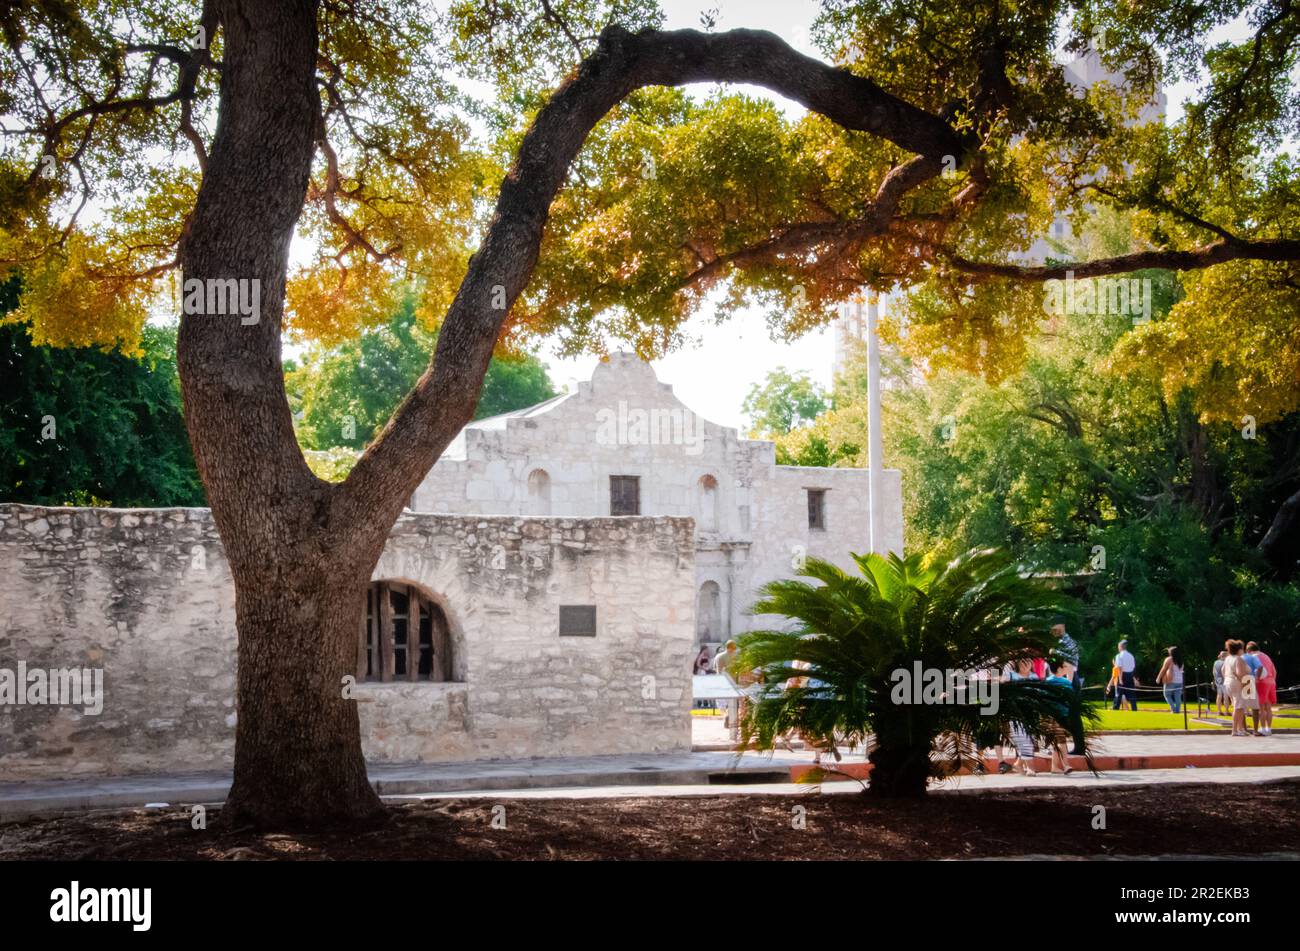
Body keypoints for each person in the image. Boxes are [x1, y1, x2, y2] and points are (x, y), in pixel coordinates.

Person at [1044, 657, 1076, 775]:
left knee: (1057, 740)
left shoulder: (1047, 682)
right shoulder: (1066, 683)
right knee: (1061, 740)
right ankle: (1066, 765)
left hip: (1057, 714)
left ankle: (1054, 767)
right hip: (1056, 715)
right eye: (1064, 666)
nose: (1066, 668)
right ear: (1059, 668)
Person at [1222, 639, 1253, 737]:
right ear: (1239, 650)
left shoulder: (1228, 658)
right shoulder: (1238, 659)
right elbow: (1240, 674)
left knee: (1239, 706)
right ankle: (1235, 730)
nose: (1243, 650)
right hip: (1237, 683)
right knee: (1238, 707)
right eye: (1242, 649)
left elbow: (1223, 670)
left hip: (1228, 683)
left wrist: (1229, 678)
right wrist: (1245, 685)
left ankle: (1240, 729)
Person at [1247, 642, 1278, 736]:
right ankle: (1269, 729)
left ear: (1249, 650)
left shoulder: (1254, 657)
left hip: (1261, 682)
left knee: (1261, 707)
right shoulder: (1266, 656)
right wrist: (1272, 680)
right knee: (1268, 707)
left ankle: (1263, 728)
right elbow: (1274, 671)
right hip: (1271, 681)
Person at [1156, 646, 1184, 714]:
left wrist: (1158, 678)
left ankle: (1173, 709)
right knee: (1177, 696)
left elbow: (1163, 669)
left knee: (1167, 695)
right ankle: (1177, 710)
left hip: (1171, 681)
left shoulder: (1169, 659)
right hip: (1180, 681)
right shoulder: (1181, 660)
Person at [1112, 639, 1138, 711]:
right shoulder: (1131, 655)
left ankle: (1115, 709)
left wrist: (1120, 679)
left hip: (1122, 675)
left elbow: (1120, 668)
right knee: (1132, 694)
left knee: (1118, 694)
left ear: (1121, 646)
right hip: (1130, 675)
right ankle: (1134, 709)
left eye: (1118, 646)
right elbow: (1133, 668)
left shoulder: (1119, 656)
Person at [1213, 650, 1229, 717]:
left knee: (1219, 695)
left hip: (1217, 680)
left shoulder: (1216, 662)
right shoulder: (1225, 663)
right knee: (1225, 696)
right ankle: (1226, 711)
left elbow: (1213, 672)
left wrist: (1215, 679)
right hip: (1224, 680)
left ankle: (1219, 711)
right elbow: (1225, 672)